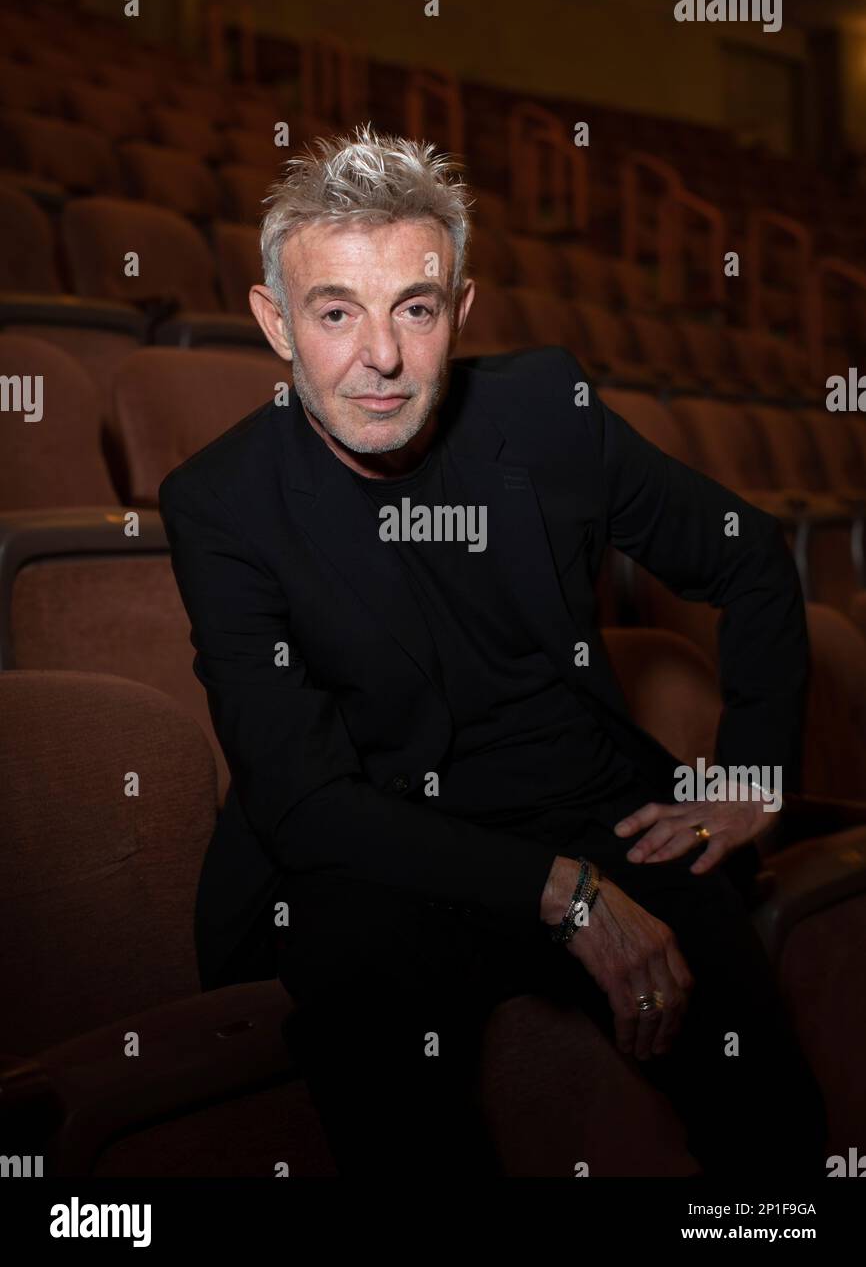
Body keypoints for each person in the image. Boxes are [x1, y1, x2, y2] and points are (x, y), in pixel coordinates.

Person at [159, 124, 826, 1177]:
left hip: (590, 802)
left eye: (412, 309)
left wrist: (753, 770)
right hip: (376, 843)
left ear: (457, 313)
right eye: (335, 312)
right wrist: (561, 894)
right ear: (274, 323)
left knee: (770, 1122)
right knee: (368, 1029)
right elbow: (301, 799)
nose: (378, 356)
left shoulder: (542, 410)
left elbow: (747, 557)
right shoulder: (220, 502)